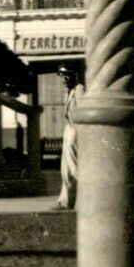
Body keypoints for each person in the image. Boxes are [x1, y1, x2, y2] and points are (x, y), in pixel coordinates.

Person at [53, 69, 82, 210]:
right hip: (69, 128)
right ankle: (66, 200)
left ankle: (83, 198)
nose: (64, 78)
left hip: (76, 129)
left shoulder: (79, 89)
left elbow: (82, 111)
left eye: (67, 75)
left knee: (73, 165)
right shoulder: (68, 91)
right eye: (62, 75)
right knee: (65, 167)